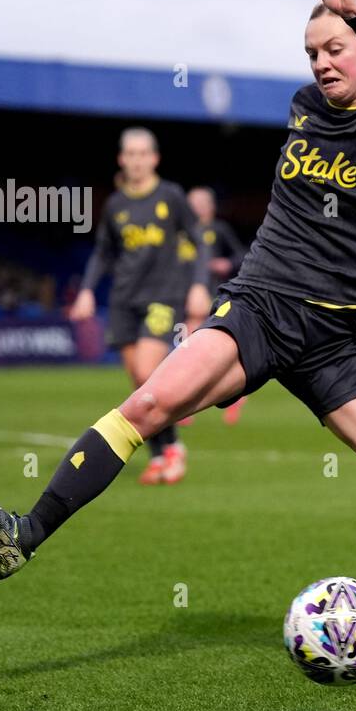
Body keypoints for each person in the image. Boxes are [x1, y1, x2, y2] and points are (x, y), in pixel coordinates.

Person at [0, 0, 356, 670]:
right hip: (261, 307)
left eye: (336, 47)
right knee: (148, 402)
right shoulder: (306, 106)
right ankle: (20, 531)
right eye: (312, 52)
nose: (321, 63)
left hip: (334, 338)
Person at [67, 126, 209, 484]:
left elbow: (200, 241)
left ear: (154, 158)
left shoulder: (171, 196)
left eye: (142, 153)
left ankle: (174, 448)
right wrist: (86, 290)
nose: (136, 160)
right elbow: (103, 252)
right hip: (123, 300)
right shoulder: (116, 204)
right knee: (139, 384)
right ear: (121, 159)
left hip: (163, 297)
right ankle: (161, 454)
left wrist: (198, 285)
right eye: (129, 154)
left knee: (148, 372)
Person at [185, 186, 249, 424]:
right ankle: (224, 393)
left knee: (193, 348)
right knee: (190, 349)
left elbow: (242, 254)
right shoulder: (184, 231)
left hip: (215, 295)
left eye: (201, 202)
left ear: (211, 206)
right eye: (192, 202)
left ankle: (226, 392)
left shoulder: (219, 229)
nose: (197, 207)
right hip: (186, 294)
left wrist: (226, 263)